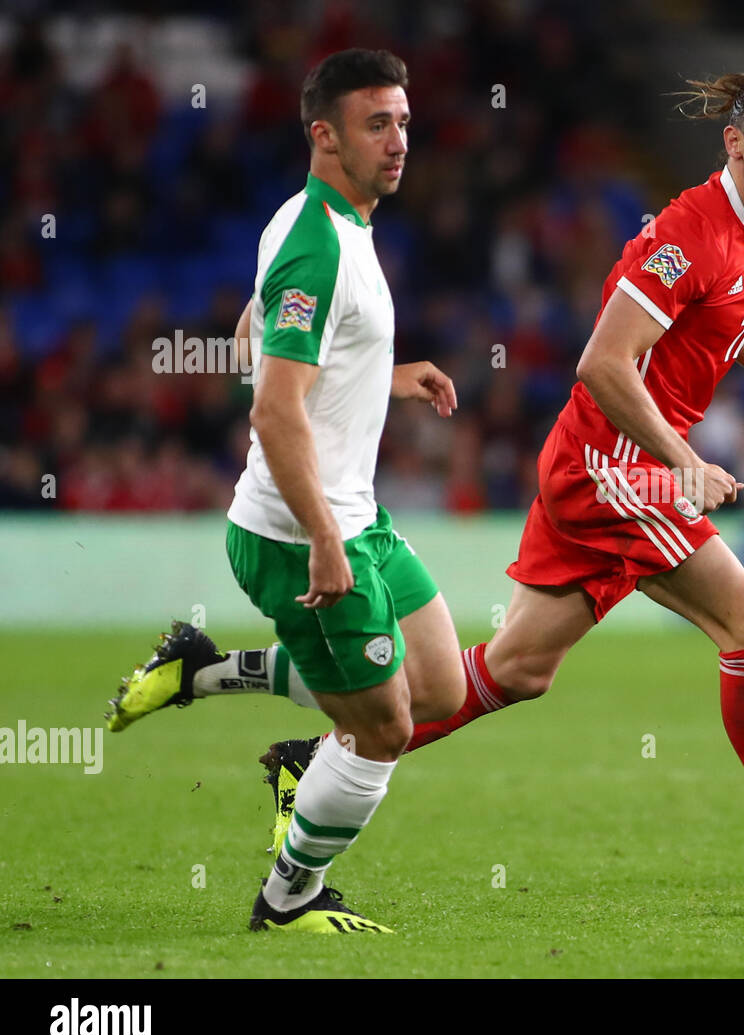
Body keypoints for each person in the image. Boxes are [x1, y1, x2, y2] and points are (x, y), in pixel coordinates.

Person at [117, 53, 744, 908]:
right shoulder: (689, 232)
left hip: (604, 465)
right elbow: (602, 366)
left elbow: (739, 307)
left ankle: (286, 733)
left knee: (513, 671)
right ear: (735, 145)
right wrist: (684, 462)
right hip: (614, 470)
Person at [108, 49, 466, 933]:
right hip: (301, 535)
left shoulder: (317, 223)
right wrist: (324, 537)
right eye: (377, 123)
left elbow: (249, 341)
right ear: (325, 133)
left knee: (442, 687)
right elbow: (272, 408)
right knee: (381, 733)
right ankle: (288, 897)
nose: (399, 141)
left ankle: (202, 671)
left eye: (405, 122)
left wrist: (381, 370)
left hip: (354, 516)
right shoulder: (315, 242)